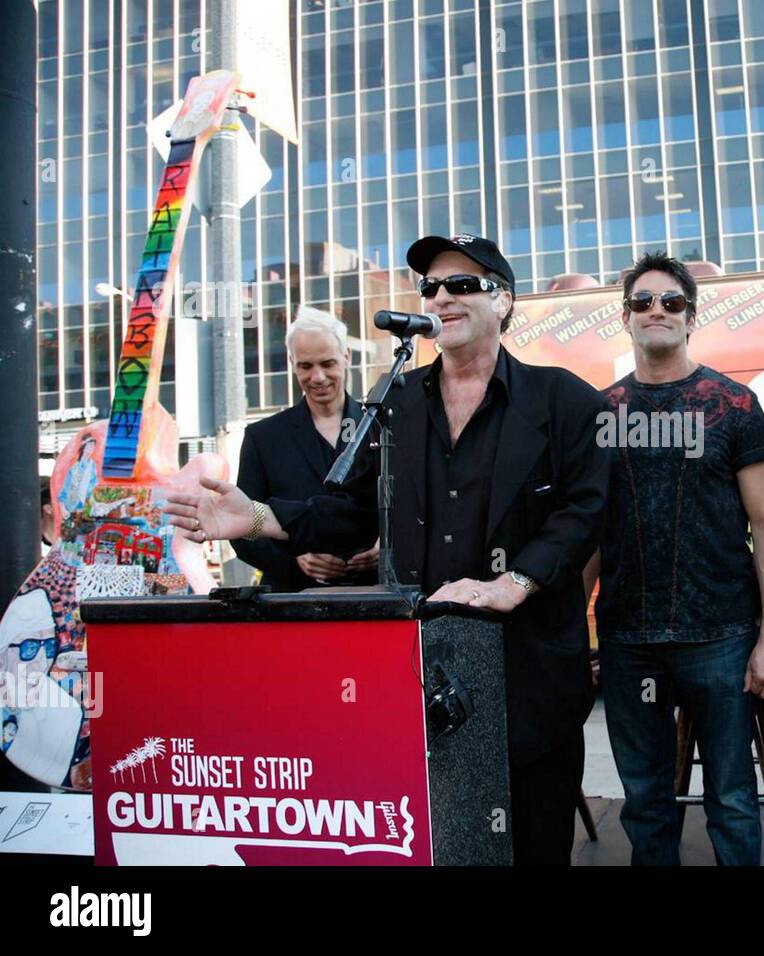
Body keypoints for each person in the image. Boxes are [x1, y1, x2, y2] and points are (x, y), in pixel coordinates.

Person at [165, 234, 610, 866]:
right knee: (435, 842)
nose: (441, 296)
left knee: (533, 842)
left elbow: (586, 510)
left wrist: (512, 584)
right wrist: (256, 516)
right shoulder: (396, 401)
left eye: (462, 285)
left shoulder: (563, 399)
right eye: (430, 286)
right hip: (422, 674)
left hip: (528, 671)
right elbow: (343, 514)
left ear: (504, 302)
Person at [583, 251, 764, 866]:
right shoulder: (602, 412)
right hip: (628, 639)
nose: (657, 311)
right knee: (645, 801)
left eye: (671, 301)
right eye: (643, 301)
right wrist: (574, 628)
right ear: (626, 317)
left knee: (731, 795)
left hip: (721, 635)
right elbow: (589, 532)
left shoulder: (734, 405)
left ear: (691, 316)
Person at [231, 308, 377, 590]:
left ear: (347, 357)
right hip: (292, 601)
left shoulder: (384, 428)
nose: (318, 377)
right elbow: (242, 528)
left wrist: (388, 550)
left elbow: (413, 509)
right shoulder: (262, 438)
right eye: (306, 366)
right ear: (292, 363)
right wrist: (294, 560)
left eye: (328, 363)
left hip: (377, 598)